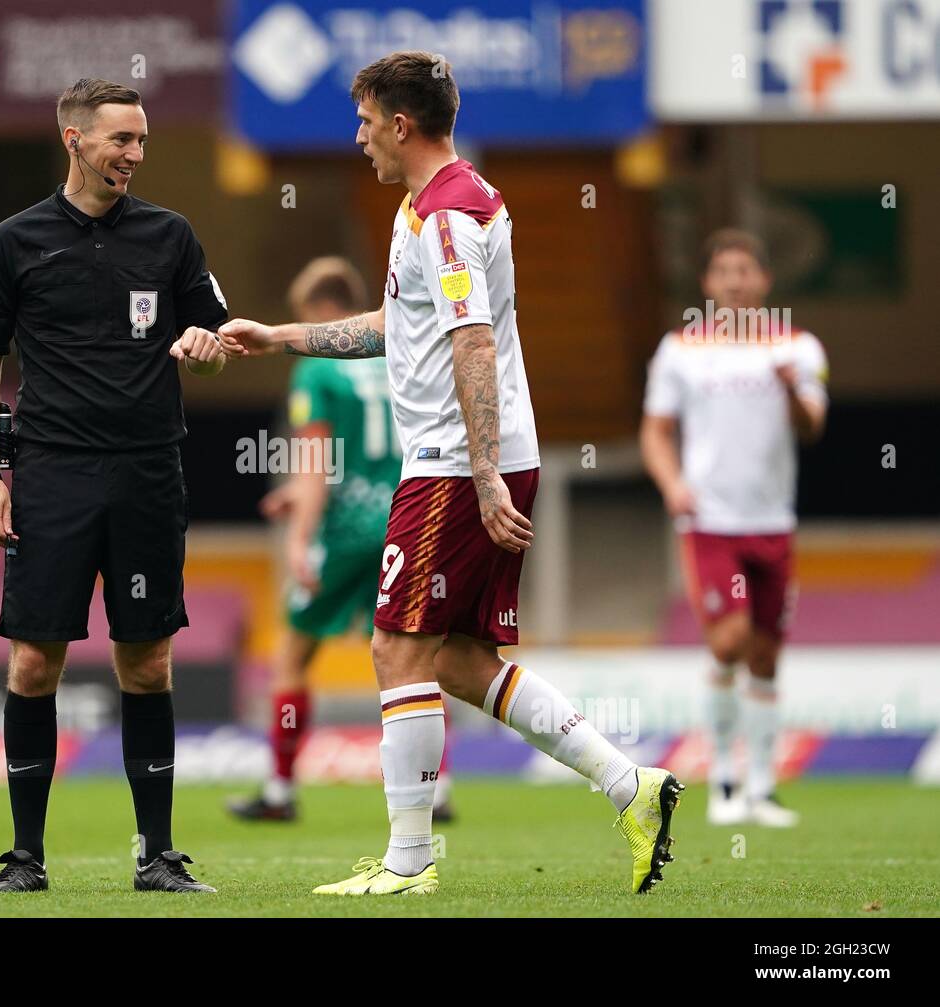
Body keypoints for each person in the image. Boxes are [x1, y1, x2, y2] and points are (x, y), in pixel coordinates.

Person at [220, 51, 684, 896]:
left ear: (401, 124)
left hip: (454, 464)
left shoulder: (448, 217)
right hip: (469, 459)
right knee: (458, 661)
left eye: (365, 121)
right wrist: (279, 336)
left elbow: (472, 342)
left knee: (395, 648)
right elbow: (399, 327)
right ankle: (633, 786)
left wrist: (481, 474)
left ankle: (409, 860)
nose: (358, 137)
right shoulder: (425, 211)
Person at [0, 78, 229, 894]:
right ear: (74, 139)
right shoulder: (17, 239)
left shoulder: (170, 236)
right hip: (51, 474)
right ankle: (24, 857)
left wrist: (207, 343)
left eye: (143, 141)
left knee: (146, 662)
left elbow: (214, 326)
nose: (135, 155)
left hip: (149, 471)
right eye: (121, 140)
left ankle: (158, 854)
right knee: (35, 661)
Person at [227, 257, 456, 823]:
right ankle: (439, 789)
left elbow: (316, 460)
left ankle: (279, 790)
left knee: (294, 656)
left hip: (346, 530)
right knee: (417, 657)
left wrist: (299, 534)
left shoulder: (319, 370)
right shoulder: (394, 352)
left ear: (317, 312)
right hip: (406, 518)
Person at [641, 228, 828, 828]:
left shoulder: (799, 348)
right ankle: (723, 778)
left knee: (768, 656)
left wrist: (790, 395)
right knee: (729, 641)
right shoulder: (679, 350)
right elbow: (655, 431)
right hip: (711, 522)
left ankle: (763, 789)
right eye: (724, 271)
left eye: (746, 270)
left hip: (772, 520)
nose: (735, 281)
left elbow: (814, 425)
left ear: (765, 281)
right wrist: (673, 485)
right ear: (707, 283)